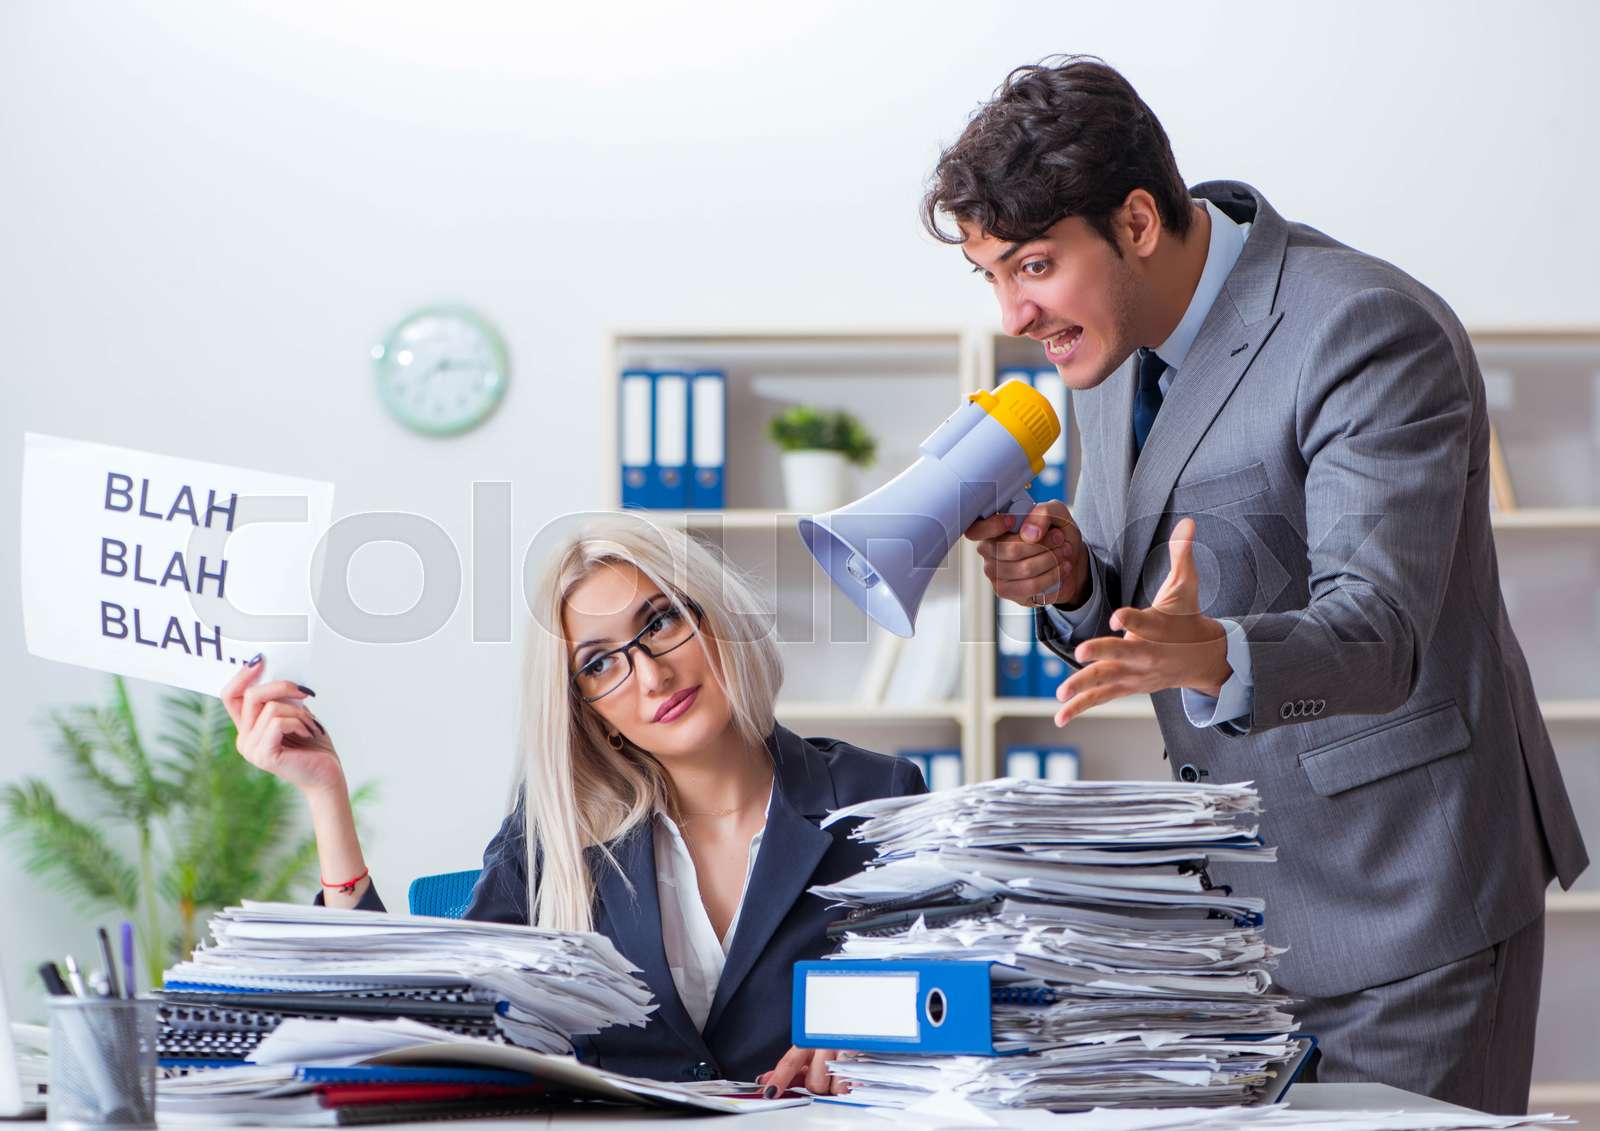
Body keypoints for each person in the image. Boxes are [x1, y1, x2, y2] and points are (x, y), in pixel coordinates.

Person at [945, 57, 1588, 1112]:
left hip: (1405, 905)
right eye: (991, 276)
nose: (1016, 310)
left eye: (1032, 265)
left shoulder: (1364, 328)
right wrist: (1070, 579)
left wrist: (1214, 653)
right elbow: (1143, 591)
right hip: (1237, 921)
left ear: (1138, 223)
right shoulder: (1104, 350)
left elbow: (1380, 628)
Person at [222, 514, 924, 1088]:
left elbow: (972, 993)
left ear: (718, 619)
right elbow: (415, 1030)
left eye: (661, 622)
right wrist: (326, 795)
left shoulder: (878, 798)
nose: (650, 673)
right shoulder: (556, 834)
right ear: (587, 709)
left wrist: (873, 1035)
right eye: (599, 662)